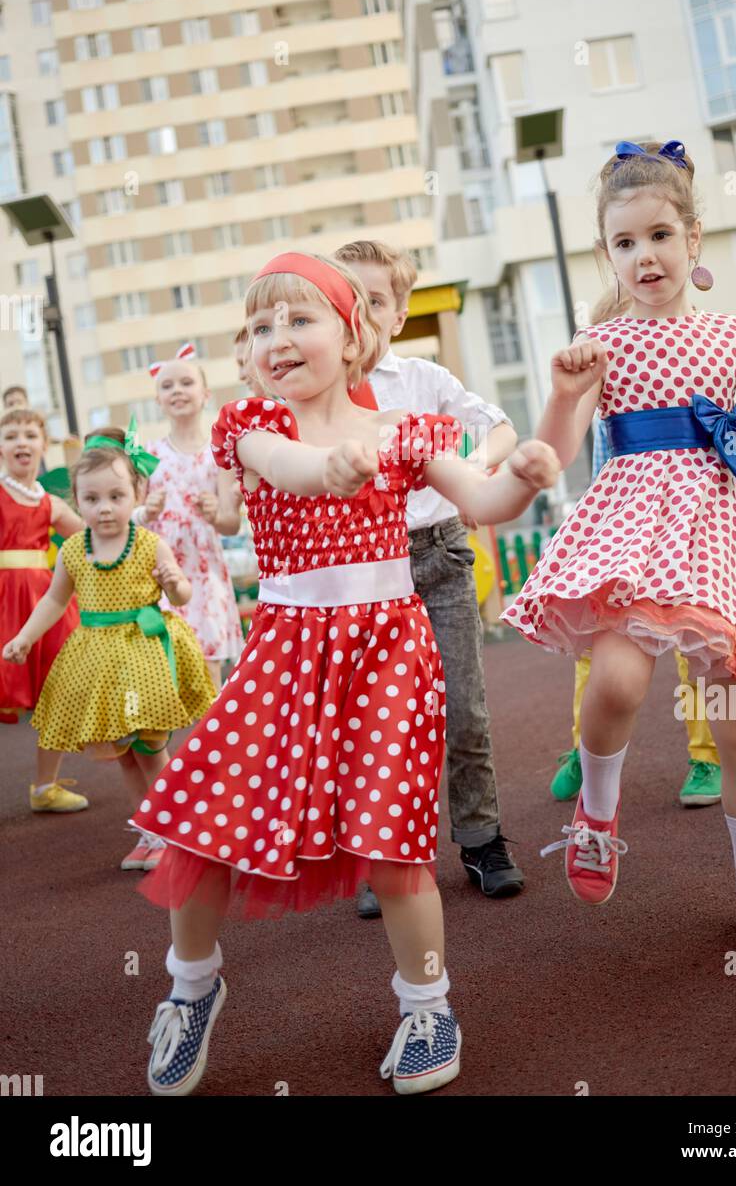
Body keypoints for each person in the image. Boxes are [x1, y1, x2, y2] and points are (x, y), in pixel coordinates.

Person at [128, 251, 558, 1097]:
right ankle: (191, 988)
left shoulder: (403, 431)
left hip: (388, 651)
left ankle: (428, 1006)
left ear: (353, 333)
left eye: (296, 319)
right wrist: (323, 470)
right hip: (285, 648)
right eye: (257, 327)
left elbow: (481, 499)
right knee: (200, 820)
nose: (273, 339)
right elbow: (286, 469)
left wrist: (525, 479)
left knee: (395, 841)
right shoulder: (252, 424)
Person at [503, 138, 736, 957]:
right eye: (624, 242)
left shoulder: (729, 334)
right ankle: (597, 815)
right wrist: (564, 392)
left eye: (658, 235)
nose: (643, 255)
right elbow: (556, 448)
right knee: (614, 682)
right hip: (632, 532)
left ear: (694, 239)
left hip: (720, 537)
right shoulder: (600, 343)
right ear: (607, 255)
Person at [335, 239, 526, 913]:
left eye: (375, 302)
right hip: (363, 567)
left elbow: (497, 426)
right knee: (373, 721)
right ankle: (381, 856)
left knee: (463, 707)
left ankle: (480, 836)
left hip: (439, 557)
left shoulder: (425, 380)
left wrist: (473, 465)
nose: (359, 316)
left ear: (398, 311)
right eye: (345, 303)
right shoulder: (323, 393)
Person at [2, 421, 216, 871]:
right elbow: (55, 599)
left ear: (137, 495)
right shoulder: (74, 550)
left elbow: (181, 596)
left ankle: (170, 829)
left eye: (116, 497)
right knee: (124, 755)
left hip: (143, 658)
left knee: (150, 749)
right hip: (100, 663)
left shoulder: (149, 544)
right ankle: (149, 830)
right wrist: (23, 637)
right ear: (76, 500)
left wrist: (174, 584)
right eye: (93, 499)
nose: (104, 509)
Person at [552, 397, 722, 809]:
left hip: (688, 521)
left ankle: (709, 758)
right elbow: (598, 462)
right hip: (622, 524)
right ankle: (585, 746)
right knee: (596, 640)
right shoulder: (611, 363)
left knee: (695, 638)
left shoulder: (709, 352)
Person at [136, 345, 245, 691]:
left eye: (186, 382)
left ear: (205, 394)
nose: (177, 391)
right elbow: (131, 521)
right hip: (162, 573)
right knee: (166, 665)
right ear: (158, 400)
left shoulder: (219, 454)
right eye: (167, 386)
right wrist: (146, 511)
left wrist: (217, 514)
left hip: (205, 571)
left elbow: (232, 523)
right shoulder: (148, 455)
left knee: (209, 670)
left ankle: (209, 740)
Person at [0, 406, 86, 809]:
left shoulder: (50, 503)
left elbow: (92, 538)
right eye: (11, 435)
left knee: (55, 694)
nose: (21, 442)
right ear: (0, 448)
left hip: (43, 606)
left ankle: (44, 788)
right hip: (3, 604)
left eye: (30, 435)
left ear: (43, 445)